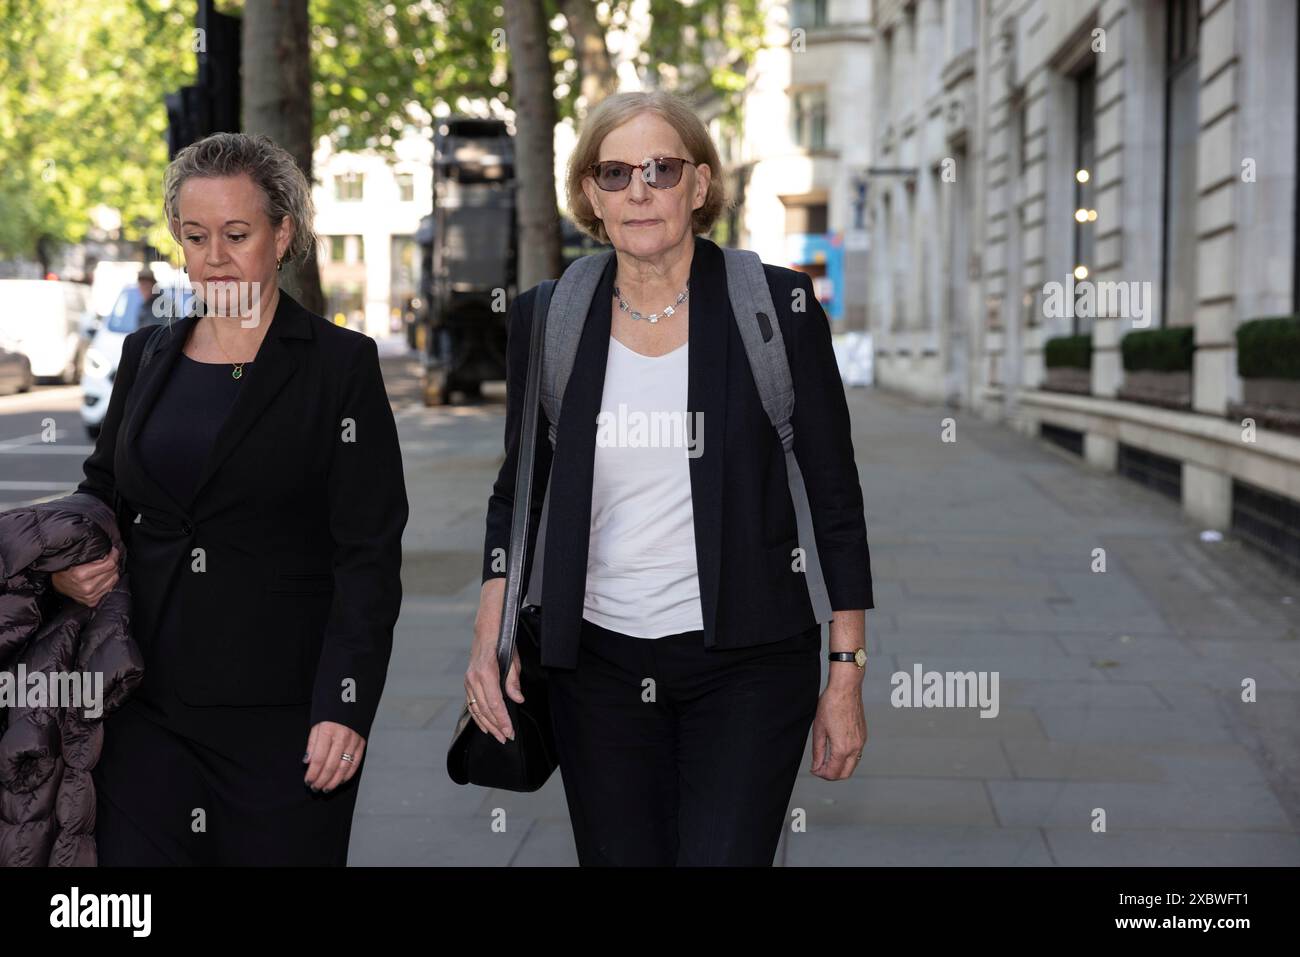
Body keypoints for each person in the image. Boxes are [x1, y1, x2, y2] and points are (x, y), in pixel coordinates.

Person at [466, 91, 875, 866]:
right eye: (615, 172)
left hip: (750, 664)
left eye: (661, 168)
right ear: (590, 193)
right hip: (596, 668)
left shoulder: (778, 308)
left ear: (699, 183)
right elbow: (515, 492)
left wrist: (846, 671)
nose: (639, 190)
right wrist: (489, 638)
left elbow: (836, 502)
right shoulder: (551, 317)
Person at [56, 131, 409, 865]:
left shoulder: (340, 366)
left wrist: (344, 705)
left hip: (283, 725)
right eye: (194, 235)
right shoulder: (145, 355)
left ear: (283, 235)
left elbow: (367, 555)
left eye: (237, 233)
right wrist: (70, 564)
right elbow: (104, 490)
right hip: (145, 708)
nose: (214, 255)